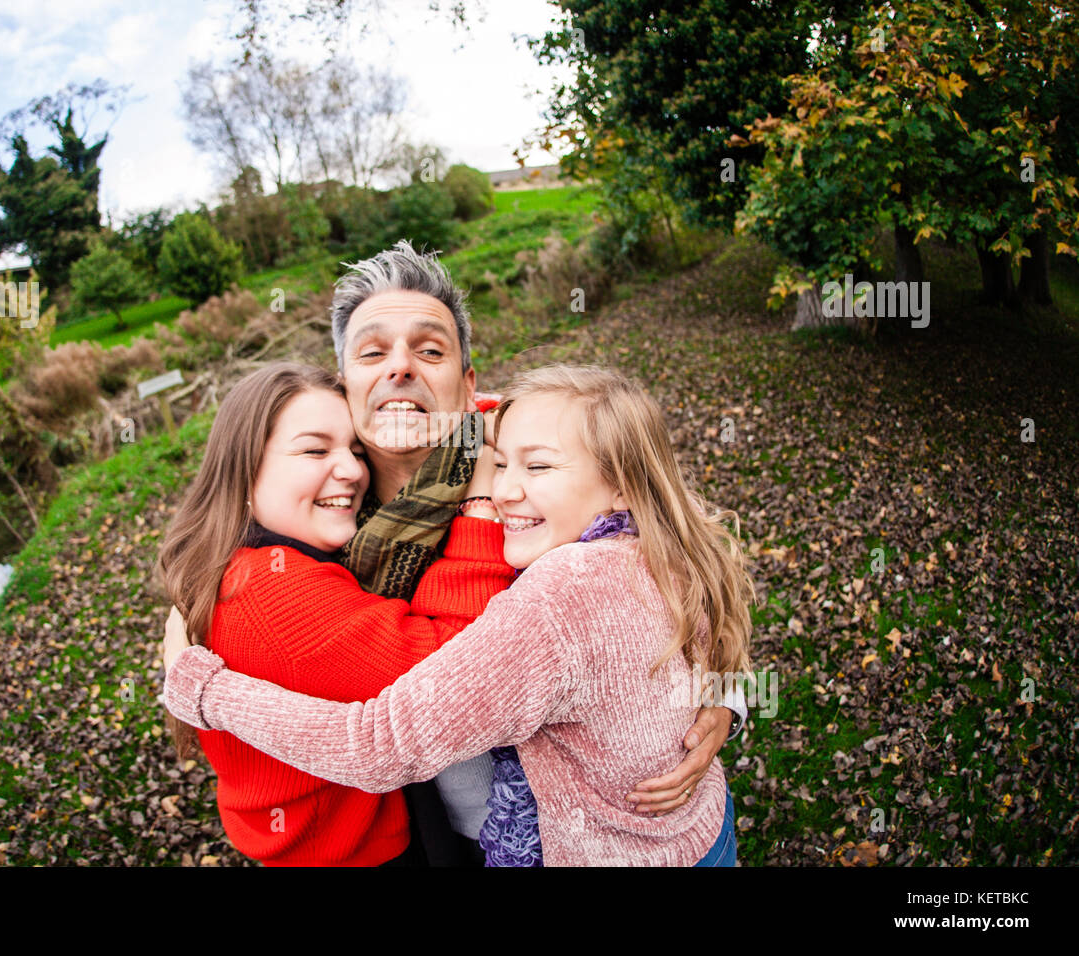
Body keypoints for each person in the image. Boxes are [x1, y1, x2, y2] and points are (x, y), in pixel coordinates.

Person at [168, 240, 746, 863]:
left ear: (468, 384)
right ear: (346, 385)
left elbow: (686, 560)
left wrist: (720, 701)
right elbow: (250, 584)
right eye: (372, 352)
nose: (400, 368)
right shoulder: (320, 515)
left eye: (430, 349)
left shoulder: (534, 460)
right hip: (447, 831)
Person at [158, 362, 513, 865]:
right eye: (315, 449)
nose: (352, 470)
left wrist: (477, 414)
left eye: (354, 448)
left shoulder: (235, 559)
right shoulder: (271, 591)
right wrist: (479, 507)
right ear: (242, 469)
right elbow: (453, 667)